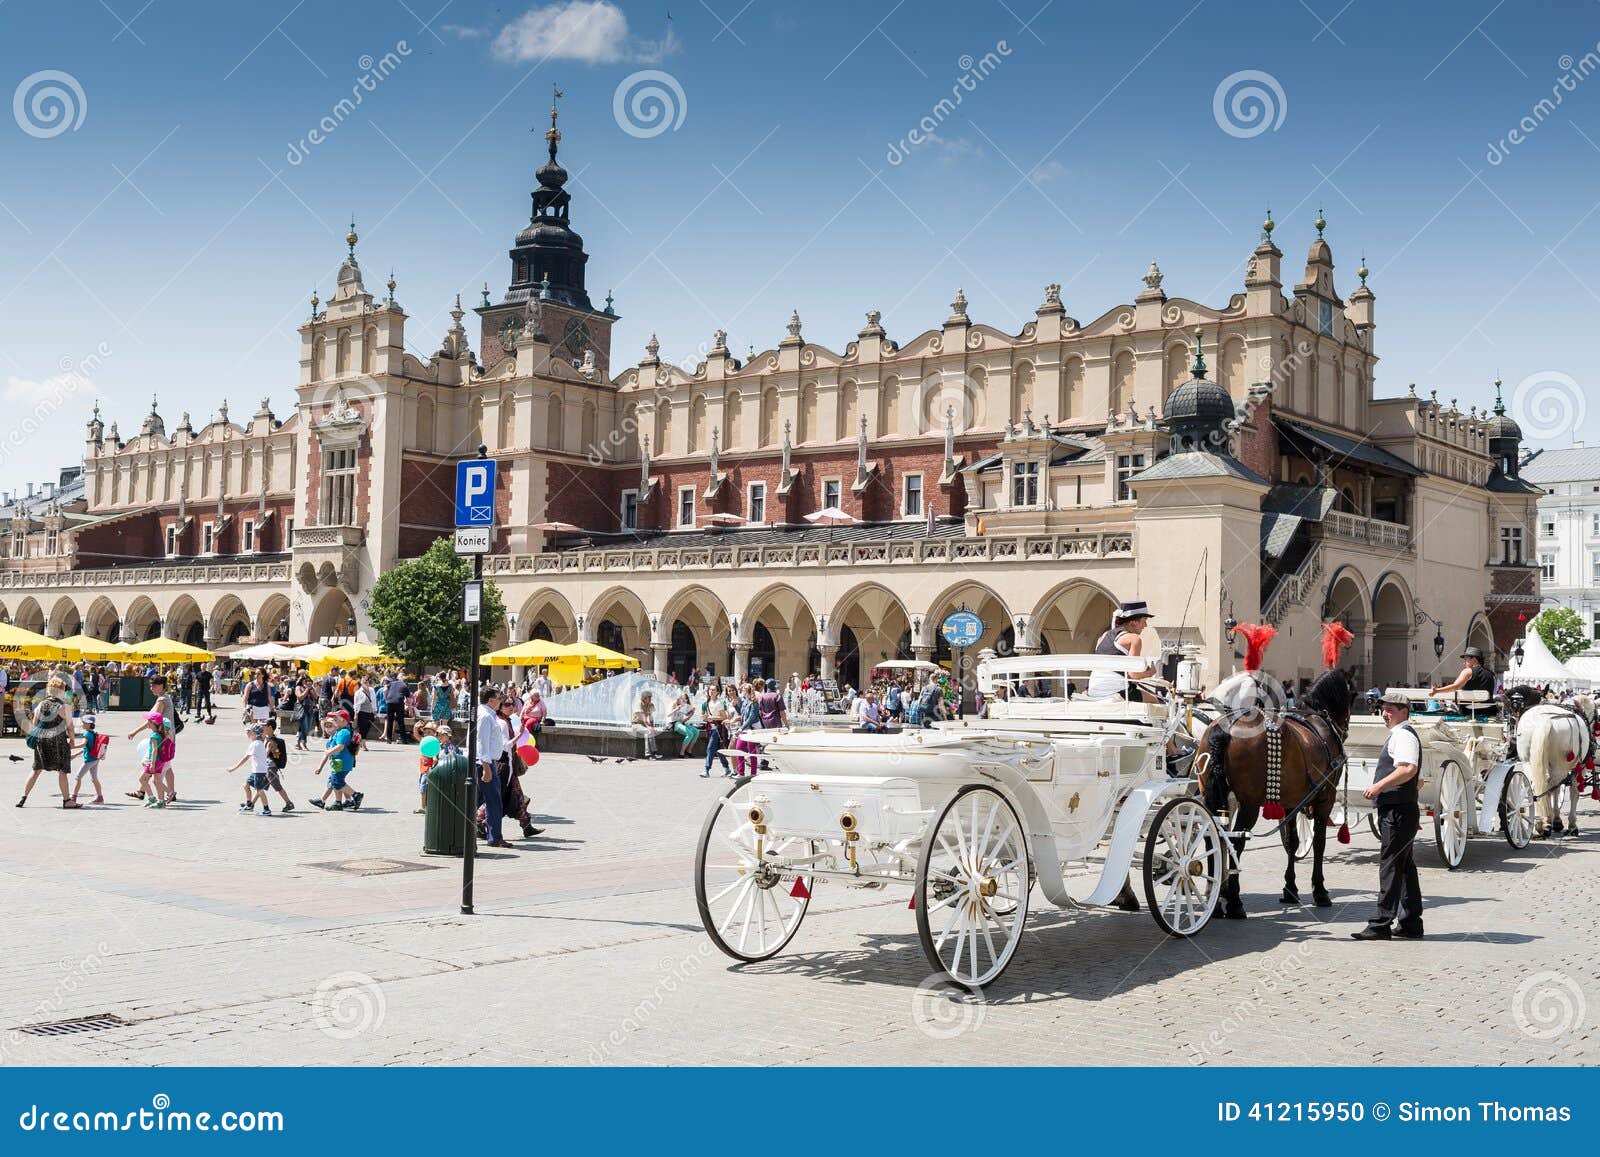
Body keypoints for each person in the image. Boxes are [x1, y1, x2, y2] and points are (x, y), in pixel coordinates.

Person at [1352, 690, 1425, 941]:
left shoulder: (1403, 735)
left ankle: (1381, 924)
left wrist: (1378, 786)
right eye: (1383, 709)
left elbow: (1408, 769)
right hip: (1402, 809)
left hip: (1396, 811)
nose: (1385, 714)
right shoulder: (1402, 734)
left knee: (1391, 866)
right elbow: (1415, 777)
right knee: (1404, 867)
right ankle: (1411, 923)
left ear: (1404, 712)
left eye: (1390, 710)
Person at [17, 674, 80, 809]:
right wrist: (72, 741)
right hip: (58, 742)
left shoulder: (41, 704)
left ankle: (23, 798)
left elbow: (35, 724)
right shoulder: (63, 707)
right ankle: (67, 801)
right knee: (62, 771)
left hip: (42, 741)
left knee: (36, 770)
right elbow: (70, 727)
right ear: (61, 690)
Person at [1084, 600, 1158, 700]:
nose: (1145, 625)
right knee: (1155, 700)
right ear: (1133, 622)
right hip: (1116, 690)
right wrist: (1150, 673)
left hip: (1093, 689)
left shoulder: (1104, 636)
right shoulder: (1134, 639)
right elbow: (1133, 674)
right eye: (1144, 620)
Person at [126, 674, 178, 803]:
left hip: (163, 739)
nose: (151, 688)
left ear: (162, 686)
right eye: (151, 685)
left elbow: (152, 720)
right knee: (166, 766)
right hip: (167, 737)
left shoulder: (162, 700)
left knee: (155, 763)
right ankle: (144, 790)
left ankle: (166, 793)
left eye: (154, 685)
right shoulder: (165, 698)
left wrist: (135, 731)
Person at [475, 687, 512, 847]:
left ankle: (489, 835)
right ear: (490, 700)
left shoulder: (486, 714)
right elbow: (481, 742)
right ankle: (495, 837)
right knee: (494, 801)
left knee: (479, 799)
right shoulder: (485, 716)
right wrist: (486, 767)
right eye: (498, 698)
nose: (500, 701)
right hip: (485, 762)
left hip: (485, 761)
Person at [312, 710, 363, 811]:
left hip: (342, 762)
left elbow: (340, 746)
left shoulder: (344, 732)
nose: (334, 720)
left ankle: (356, 795)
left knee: (336, 782)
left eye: (336, 718)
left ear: (343, 720)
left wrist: (329, 752)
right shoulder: (339, 731)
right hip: (338, 762)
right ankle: (338, 802)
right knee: (335, 781)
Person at [228, 723, 275, 816]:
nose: (247, 733)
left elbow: (246, 758)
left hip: (259, 771)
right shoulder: (259, 743)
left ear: (255, 734)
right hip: (257, 771)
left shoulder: (255, 744)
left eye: (250, 732)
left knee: (259, 790)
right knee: (246, 785)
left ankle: (266, 810)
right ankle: (249, 805)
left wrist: (234, 767)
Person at [1430, 646, 1497, 708]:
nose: (1464, 663)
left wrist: (1437, 691)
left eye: (1466, 660)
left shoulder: (1468, 671)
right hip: (1489, 709)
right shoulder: (1491, 674)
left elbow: (1456, 686)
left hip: (1469, 710)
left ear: (1474, 659)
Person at [70, 712, 107, 805]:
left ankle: (73, 797)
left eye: (84, 722)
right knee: (94, 778)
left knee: (78, 777)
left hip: (89, 760)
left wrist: (72, 747)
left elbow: (83, 744)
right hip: (95, 759)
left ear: (89, 724)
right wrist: (75, 754)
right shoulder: (93, 733)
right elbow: (87, 748)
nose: (82, 724)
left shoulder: (86, 733)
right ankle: (100, 798)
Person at [261, 719, 294, 812]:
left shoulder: (273, 741)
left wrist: (272, 749)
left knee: (277, 787)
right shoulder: (267, 739)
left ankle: (289, 803)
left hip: (271, 768)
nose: (262, 728)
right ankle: (250, 803)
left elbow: (276, 755)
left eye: (264, 726)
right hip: (267, 767)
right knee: (260, 787)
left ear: (270, 728)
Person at [632, 690, 661, 760]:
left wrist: (652, 727)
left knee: (651, 731)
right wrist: (648, 727)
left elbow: (651, 717)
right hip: (636, 724)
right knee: (648, 731)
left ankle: (654, 752)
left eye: (651, 697)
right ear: (644, 698)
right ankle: (648, 754)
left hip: (644, 724)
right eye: (649, 697)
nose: (651, 699)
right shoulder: (639, 704)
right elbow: (643, 717)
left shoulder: (651, 705)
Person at [384, 672, 408, 742]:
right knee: (400, 721)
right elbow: (408, 699)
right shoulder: (404, 685)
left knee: (390, 720)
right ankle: (403, 739)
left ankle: (389, 738)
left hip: (390, 702)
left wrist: (386, 699)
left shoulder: (391, 683)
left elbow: (385, 690)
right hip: (399, 702)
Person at [354, 676, 377, 742]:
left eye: (367, 681)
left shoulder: (371, 690)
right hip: (362, 712)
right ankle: (363, 742)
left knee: (367, 728)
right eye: (364, 682)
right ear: (361, 683)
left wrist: (375, 710)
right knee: (362, 728)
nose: (366, 683)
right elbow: (356, 704)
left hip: (370, 713)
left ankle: (361, 740)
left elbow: (374, 701)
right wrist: (356, 714)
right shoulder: (358, 692)